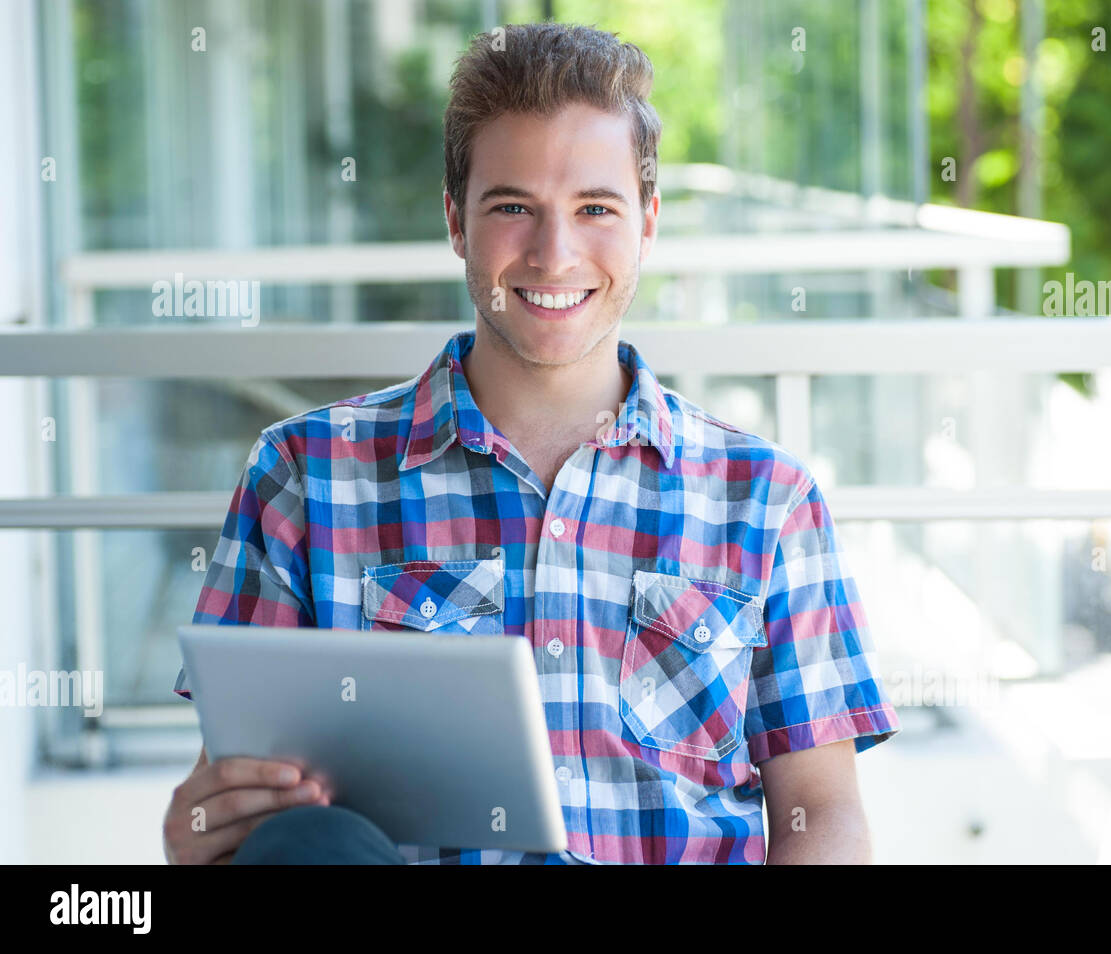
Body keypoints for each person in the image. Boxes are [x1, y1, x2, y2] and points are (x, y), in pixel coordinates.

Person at [163, 20, 899, 866]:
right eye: (513, 207)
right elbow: (231, 806)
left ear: (648, 223)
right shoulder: (302, 475)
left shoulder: (766, 498)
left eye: (596, 209)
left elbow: (824, 813)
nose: (554, 255)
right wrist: (199, 834)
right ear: (455, 219)